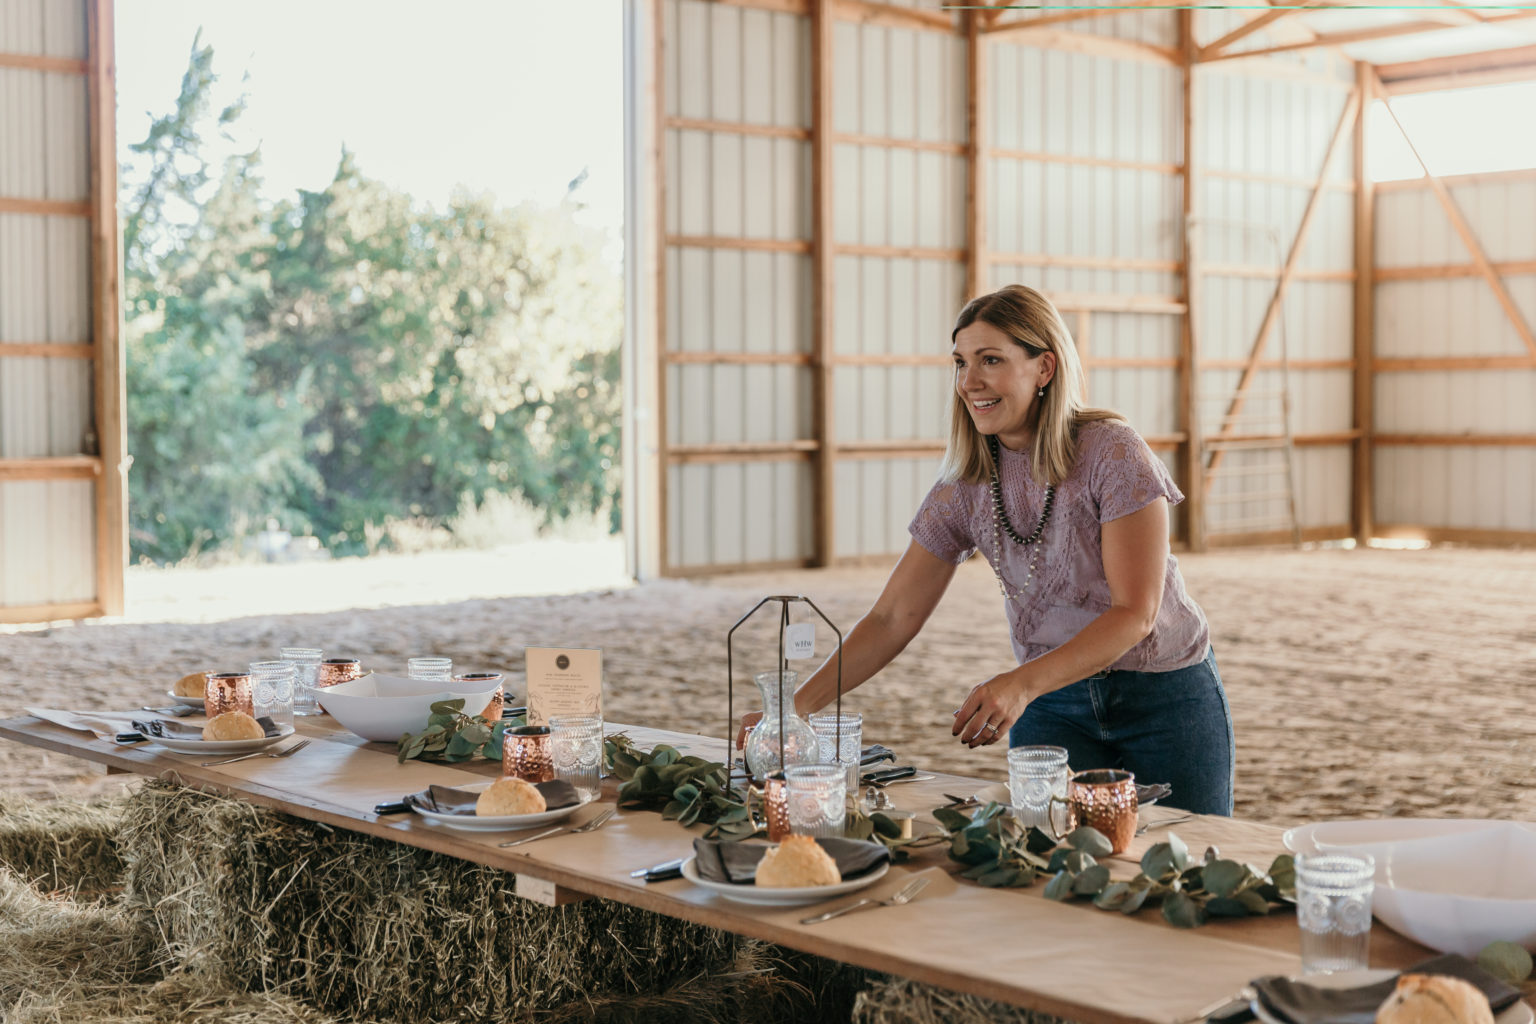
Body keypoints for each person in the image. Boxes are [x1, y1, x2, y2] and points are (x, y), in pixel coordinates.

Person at [736, 284, 1234, 815]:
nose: (969, 382)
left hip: (1166, 698)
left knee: (1188, 863)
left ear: (1044, 368)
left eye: (990, 360)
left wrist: (1018, 686)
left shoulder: (1113, 452)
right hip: (1051, 704)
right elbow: (890, 616)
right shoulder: (965, 484)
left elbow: (1135, 614)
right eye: (960, 363)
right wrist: (791, 711)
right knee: (1051, 870)